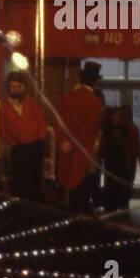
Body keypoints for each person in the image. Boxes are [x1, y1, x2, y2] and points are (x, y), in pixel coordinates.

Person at [55, 61, 104, 212]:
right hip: (83, 151)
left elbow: (58, 122)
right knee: (82, 188)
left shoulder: (66, 98)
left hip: (65, 149)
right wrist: (73, 144)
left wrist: (63, 141)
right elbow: (86, 129)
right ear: (96, 81)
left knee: (65, 182)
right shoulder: (95, 102)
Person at [0, 73, 47, 202]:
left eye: (17, 86)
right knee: (20, 180)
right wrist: (12, 143)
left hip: (35, 146)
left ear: (22, 88)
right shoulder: (4, 108)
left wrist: (41, 139)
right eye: (12, 86)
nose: (15, 89)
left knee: (35, 179)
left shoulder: (31, 103)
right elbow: (3, 130)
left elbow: (41, 121)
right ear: (8, 88)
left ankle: (37, 205)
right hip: (18, 148)